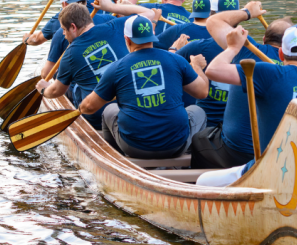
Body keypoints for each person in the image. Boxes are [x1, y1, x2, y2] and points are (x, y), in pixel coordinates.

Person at [197, 24, 297, 187]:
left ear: (281, 54)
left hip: (270, 172)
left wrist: (233, 47)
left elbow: (213, 70)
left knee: (201, 181)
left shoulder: (268, 73)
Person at [79, 15, 209, 159]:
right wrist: (196, 66)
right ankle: (192, 159)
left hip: (134, 148)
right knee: (198, 111)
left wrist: (79, 109)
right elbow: (202, 92)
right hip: (176, 146)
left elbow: (89, 107)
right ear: (153, 36)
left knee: (110, 109)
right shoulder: (176, 59)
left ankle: (117, 158)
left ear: (127, 39)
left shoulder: (117, 67)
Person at [190, 2, 295, 170]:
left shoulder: (248, 50)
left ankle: (199, 184)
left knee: (198, 139)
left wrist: (247, 12)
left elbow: (213, 22)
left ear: (263, 39)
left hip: (238, 151)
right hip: (278, 152)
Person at [175, 0, 240, 129]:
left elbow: (167, 65)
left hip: (205, 125)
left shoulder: (196, 46)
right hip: (238, 127)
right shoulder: (256, 50)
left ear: (211, 17)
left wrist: (173, 49)